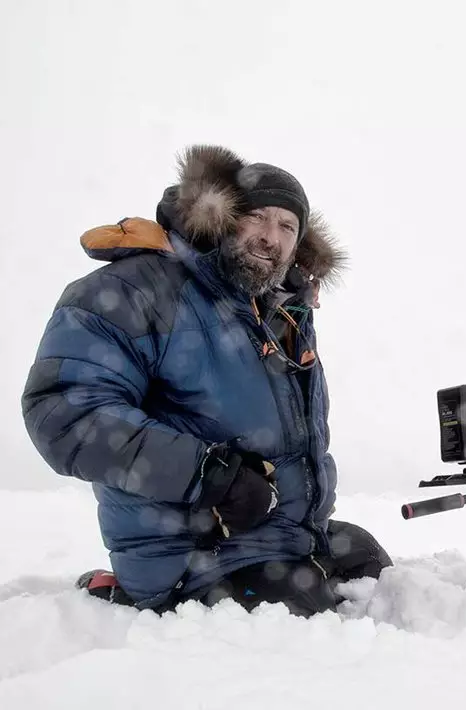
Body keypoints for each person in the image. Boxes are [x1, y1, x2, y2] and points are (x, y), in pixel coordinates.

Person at [21, 144, 392, 616]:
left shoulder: (278, 312)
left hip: (278, 535)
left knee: (370, 563)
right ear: (221, 217)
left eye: (287, 227)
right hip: (192, 551)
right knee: (304, 618)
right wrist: (207, 473)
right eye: (257, 217)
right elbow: (64, 412)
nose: (270, 238)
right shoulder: (135, 290)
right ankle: (145, 599)